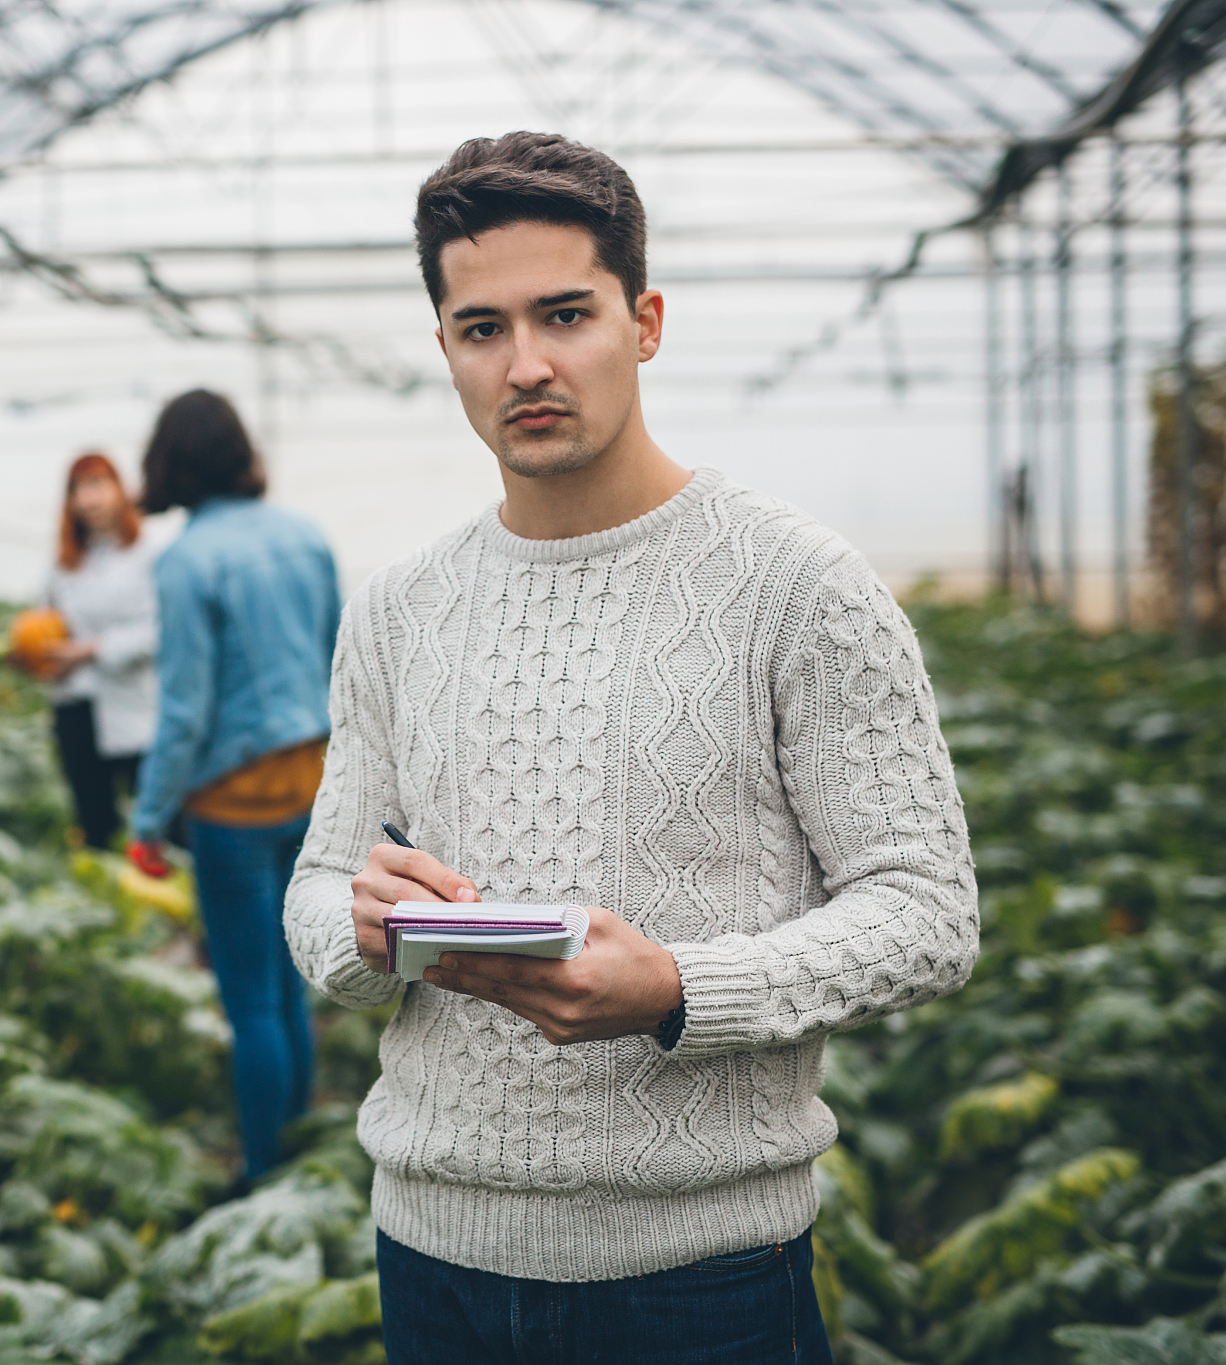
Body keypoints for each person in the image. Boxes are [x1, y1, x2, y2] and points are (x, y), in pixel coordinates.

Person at [283, 132, 979, 1364]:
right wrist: (363, 921)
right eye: (481, 328)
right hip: (432, 1256)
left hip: (699, 1279)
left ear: (644, 321)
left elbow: (925, 914)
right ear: (443, 347)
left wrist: (673, 990)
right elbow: (316, 896)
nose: (528, 364)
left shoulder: (797, 586)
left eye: (566, 314)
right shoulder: (394, 607)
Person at [129, 390, 342, 1180]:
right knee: (289, 983)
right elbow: (340, 658)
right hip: (311, 786)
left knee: (249, 999)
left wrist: (148, 819)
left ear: (168, 461)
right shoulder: (303, 535)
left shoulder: (188, 560)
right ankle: (296, 1151)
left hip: (230, 803)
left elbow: (184, 710)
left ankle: (262, 1173)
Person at [41, 452, 159, 850]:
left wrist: (92, 650)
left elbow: (156, 632)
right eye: (77, 489)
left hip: (133, 706)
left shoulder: (146, 554)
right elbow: (46, 621)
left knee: (151, 820)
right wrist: (37, 659)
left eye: (97, 485)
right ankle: (104, 902)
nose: (87, 499)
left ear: (118, 490)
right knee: (94, 822)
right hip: (76, 706)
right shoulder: (64, 562)